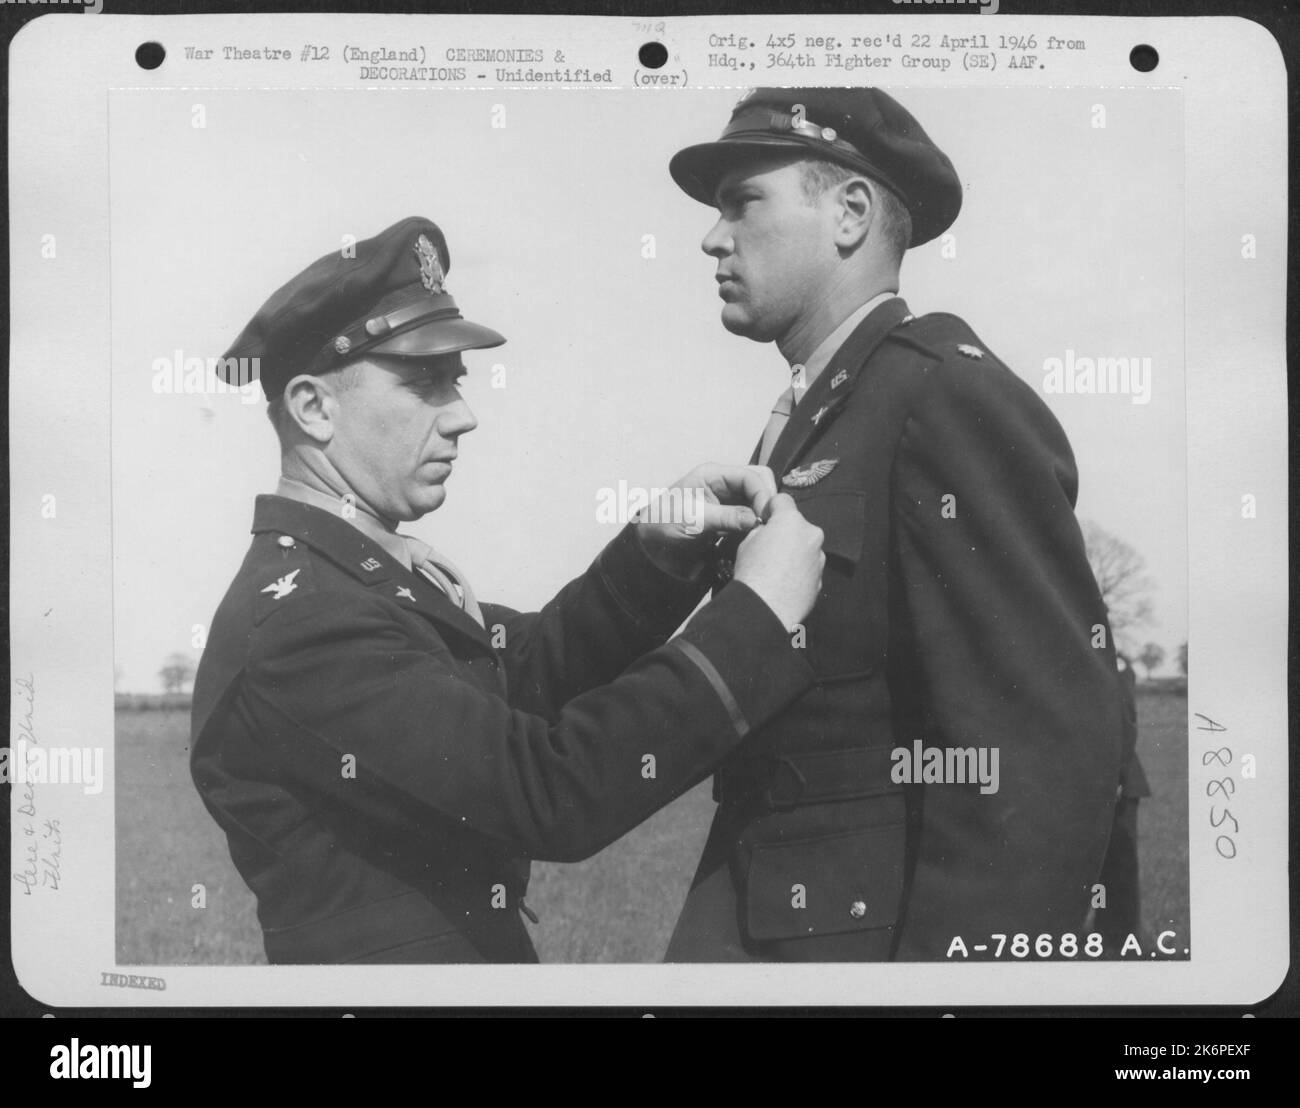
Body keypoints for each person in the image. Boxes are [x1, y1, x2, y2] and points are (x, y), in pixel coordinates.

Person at [190, 216, 826, 964]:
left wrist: (655, 554)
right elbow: (544, 789)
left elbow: (522, 669)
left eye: (456, 381)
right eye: (425, 381)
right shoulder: (307, 621)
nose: (464, 415)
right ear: (313, 408)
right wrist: (754, 621)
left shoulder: (350, 584)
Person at [663, 88, 1128, 961]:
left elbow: (1034, 752)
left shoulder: (940, 394)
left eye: (742, 202)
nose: (712, 237)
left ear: (850, 213)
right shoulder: (823, 409)